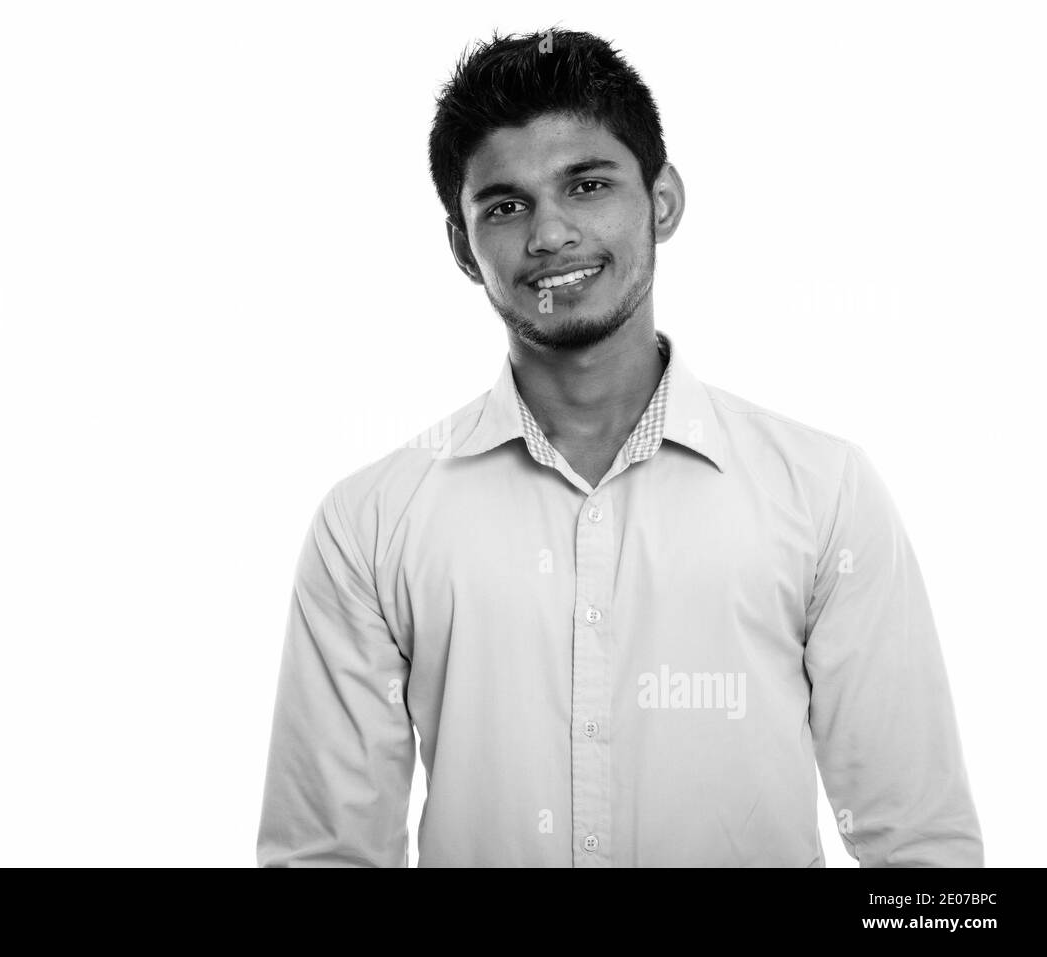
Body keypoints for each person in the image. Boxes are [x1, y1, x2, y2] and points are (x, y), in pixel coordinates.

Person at [255, 28, 982, 867]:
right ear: (462, 245)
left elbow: (924, 854)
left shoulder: (823, 490)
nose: (550, 234)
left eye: (588, 184)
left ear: (662, 200)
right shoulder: (369, 522)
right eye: (505, 205)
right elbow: (324, 853)